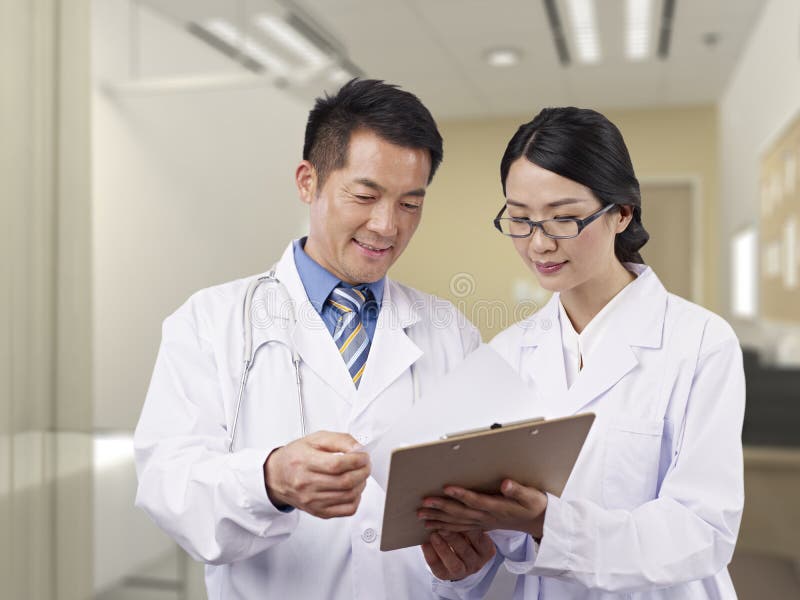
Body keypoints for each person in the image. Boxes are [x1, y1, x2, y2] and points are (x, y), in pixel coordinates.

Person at [134, 79, 493, 600]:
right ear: (308, 181)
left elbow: (479, 500)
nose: (387, 225)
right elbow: (168, 487)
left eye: (410, 204)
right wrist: (269, 478)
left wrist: (468, 569)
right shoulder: (210, 321)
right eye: (365, 195)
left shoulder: (452, 332)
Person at [420, 107, 745, 598]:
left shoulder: (700, 343)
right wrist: (465, 565)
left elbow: (702, 531)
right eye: (521, 220)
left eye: (565, 219)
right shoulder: (507, 354)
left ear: (622, 213)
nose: (539, 244)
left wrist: (551, 522)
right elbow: (500, 544)